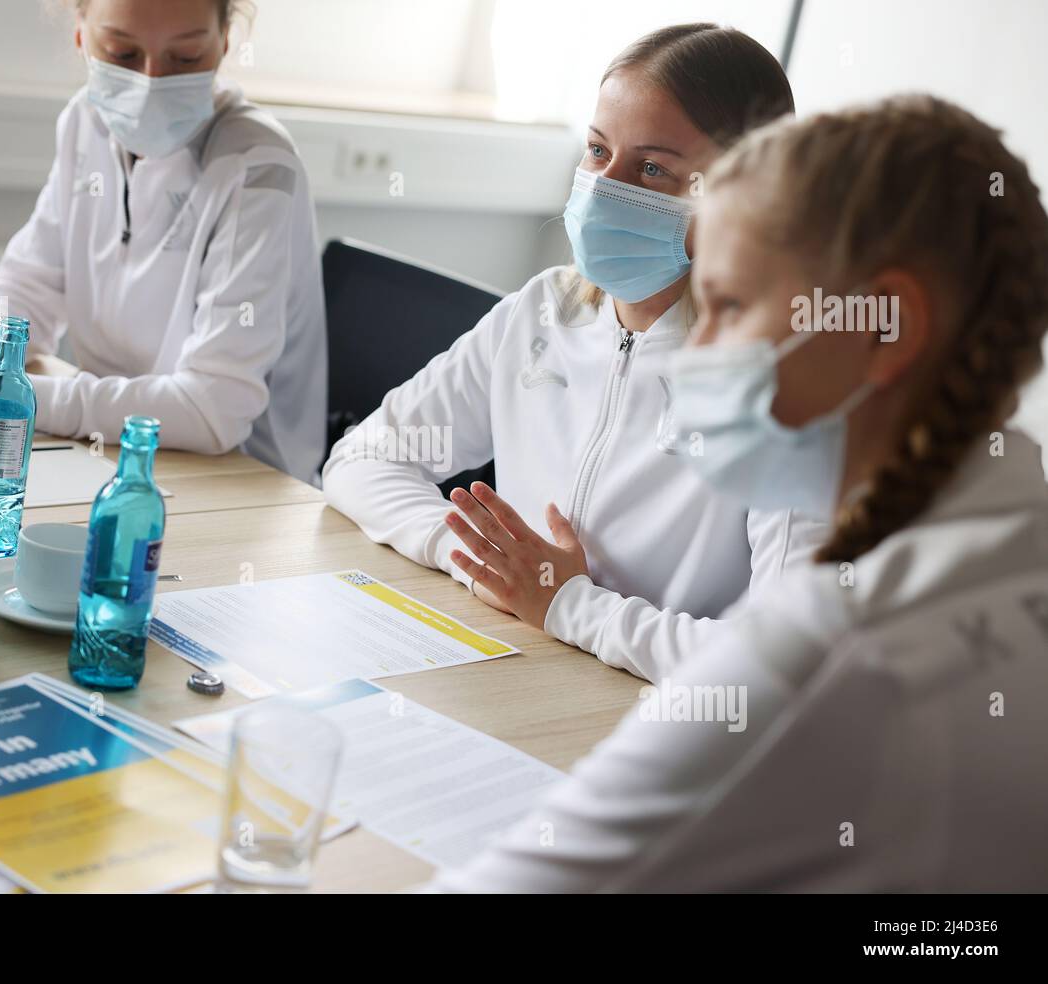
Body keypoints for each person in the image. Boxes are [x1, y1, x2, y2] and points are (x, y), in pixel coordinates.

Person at [430, 95, 1048, 892]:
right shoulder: (1008, 539)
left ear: (885, 326)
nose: (694, 358)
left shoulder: (826, 659)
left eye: (725, 307)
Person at [323, 25, 823, 683]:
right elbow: (361, 458)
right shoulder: (545, 311)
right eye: (596, 150)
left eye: (651, 168)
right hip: (511, 669)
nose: (603, 187)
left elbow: (783, 662)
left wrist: (566, 605)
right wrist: (482, 561)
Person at [0, 0, 326, 483]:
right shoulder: (85, 122)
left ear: (226, 42)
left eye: (186, 58)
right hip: (107, 452)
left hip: (241, 482)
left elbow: (214, 410)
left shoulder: (256, 167)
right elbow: (27, 293)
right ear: (81, 36)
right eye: (123, 53)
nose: (152, 82)